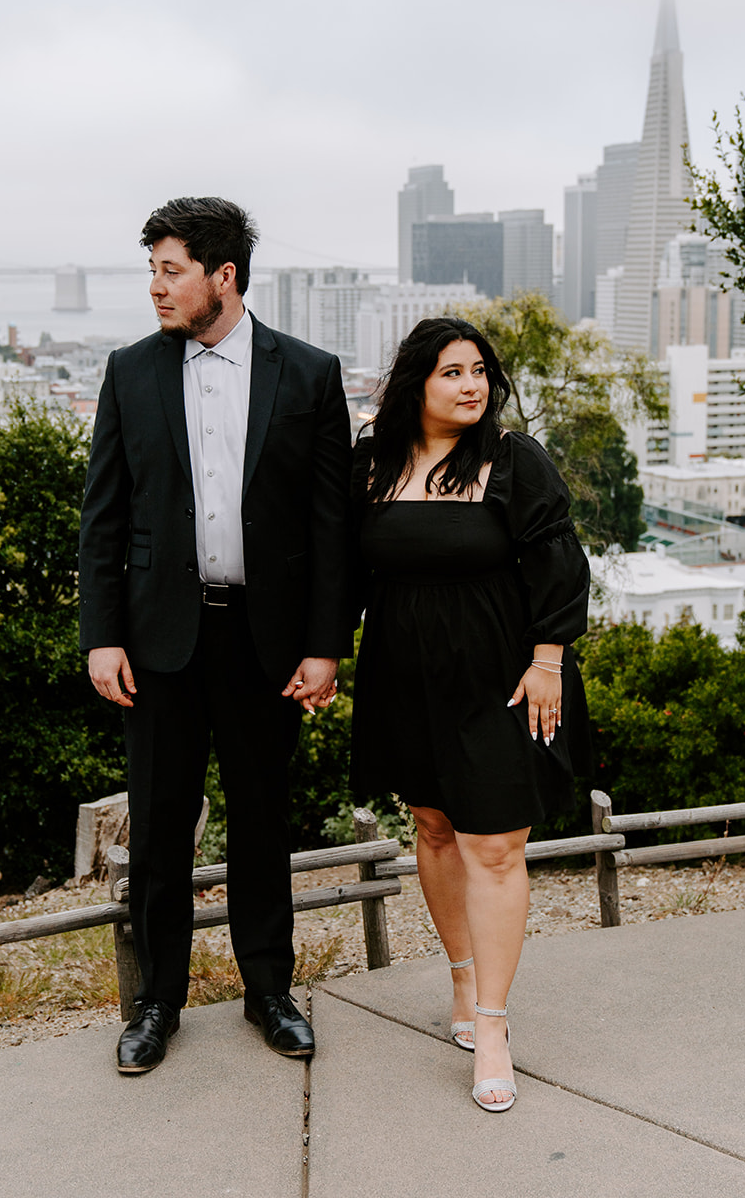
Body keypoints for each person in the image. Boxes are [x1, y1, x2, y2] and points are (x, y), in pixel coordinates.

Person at [79, 196, 351, 1075]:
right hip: (157, 640)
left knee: (261, 823)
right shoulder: (129, 371)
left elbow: (330, 525)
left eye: (172, 270)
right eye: (152, 270)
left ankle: (268, 991)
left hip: (265, 642)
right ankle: (156, 1003)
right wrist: (101, 636)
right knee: (160, 827)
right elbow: (104, 518)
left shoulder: (308, 373)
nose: (155, 287)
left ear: (222, 276)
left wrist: (324, 645)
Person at [350, 316, 592, 1113]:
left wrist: (548, 660)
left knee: (493, 842)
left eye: (479, 371)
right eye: (451, 372)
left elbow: (558, 560)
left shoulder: (512, 459)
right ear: (415, 383)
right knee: (432, 827)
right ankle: (461, 979)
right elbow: (342, 570)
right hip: (404, 676)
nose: (470, 385)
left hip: (500, 677)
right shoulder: (372, 463)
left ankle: (492, 1025)